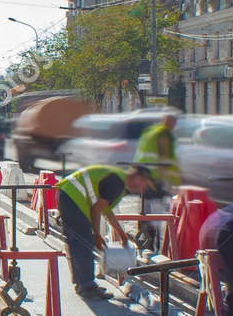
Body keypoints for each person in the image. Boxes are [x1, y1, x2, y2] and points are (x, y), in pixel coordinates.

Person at [55, 164, 156, 301]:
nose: (143, 188)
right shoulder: (117, 182)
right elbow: (97, 209)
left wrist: (122, 235)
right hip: (72, 198)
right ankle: (87, 288)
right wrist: (97, 235)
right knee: (83, 244)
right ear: (137, 177)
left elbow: (107, 211)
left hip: (69, 195)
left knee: (80, 243)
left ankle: (82, 284)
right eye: (144, 183)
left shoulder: (118, 181)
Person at [134, 112, 181, 251]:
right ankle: (153, 245)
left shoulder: (150, 132)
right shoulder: (164, 134)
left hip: (144, 176)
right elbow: (165, 158)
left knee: (146, 210)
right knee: (155, 213)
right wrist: (172, 182)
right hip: (155, 180)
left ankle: (144, 242)